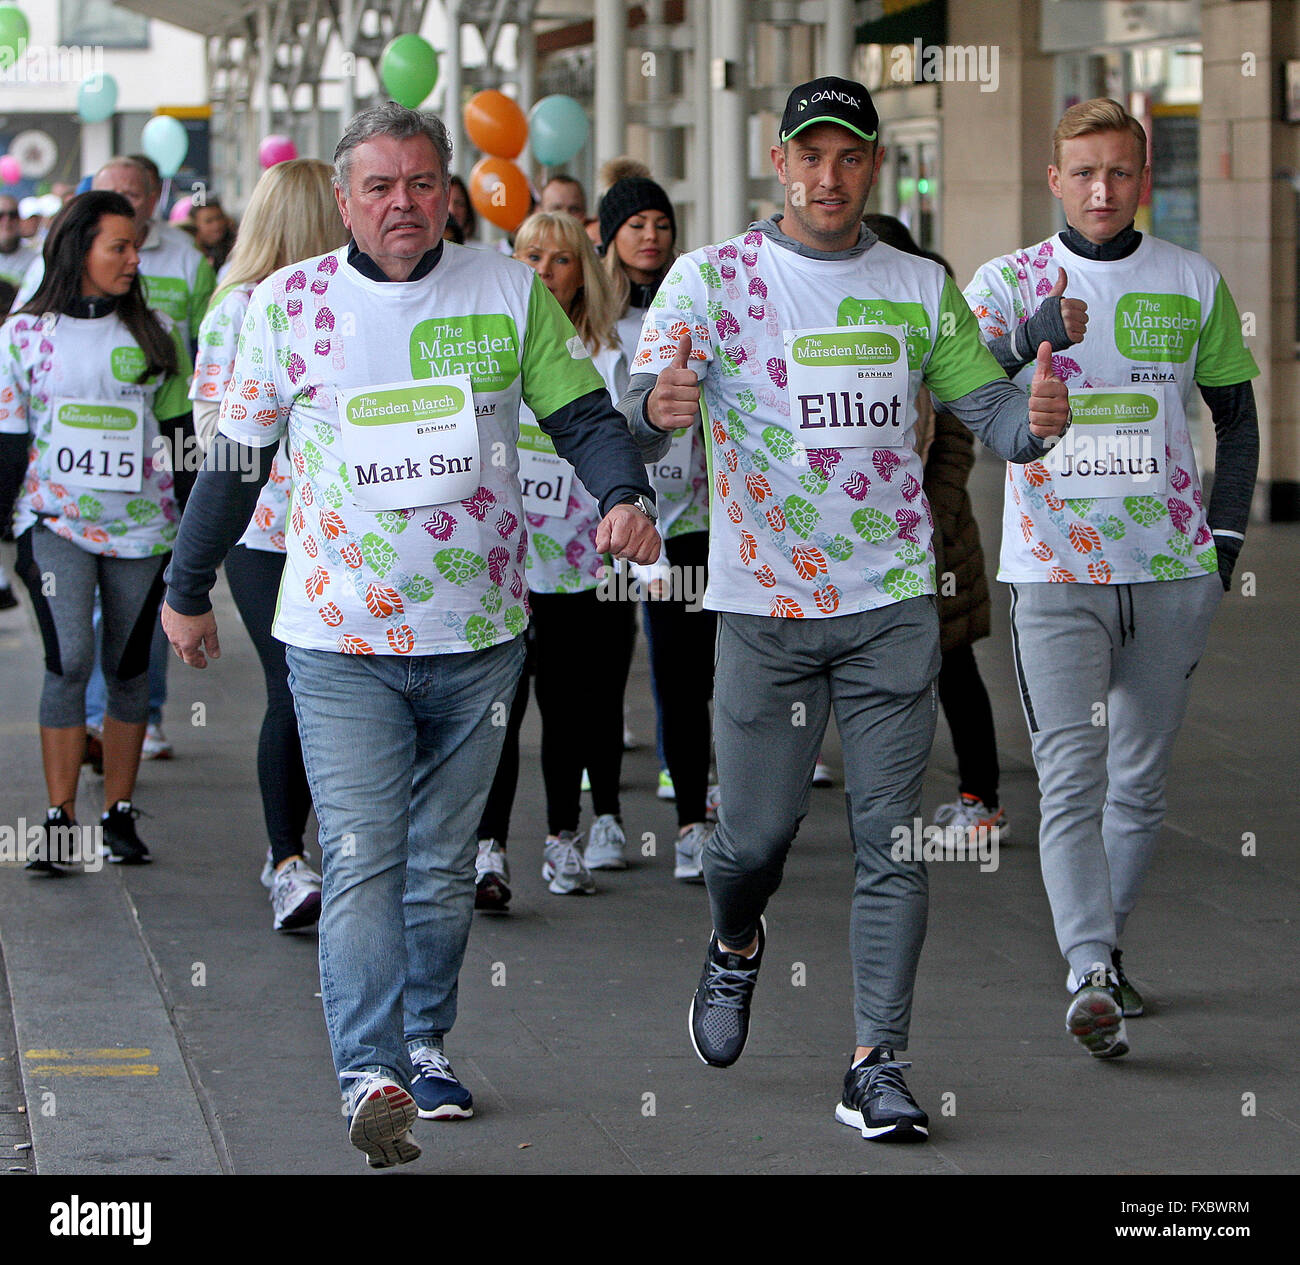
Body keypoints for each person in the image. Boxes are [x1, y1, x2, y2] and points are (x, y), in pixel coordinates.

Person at [160, 102, 662, 1168]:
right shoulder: (286, 305)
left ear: (452, 193)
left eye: (422, 183)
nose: (403, 202)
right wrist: (187, 585)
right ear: (342, 200)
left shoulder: (504, 287)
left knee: (438, 864)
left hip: (480, 633)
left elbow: (577, 414)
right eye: (379, 186)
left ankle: (424, 1042)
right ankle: (366, 1067)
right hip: (338, 637)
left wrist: (622, 491)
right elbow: (238, 461)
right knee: (360, 851)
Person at [620, 76, 1069, 1141]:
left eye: (850, 156)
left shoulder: (916, 282)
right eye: (810, 155)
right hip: (763, 610)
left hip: (889, 608)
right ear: (778, 160)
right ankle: (735, 938)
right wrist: (655, 408)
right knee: (753, 837)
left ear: (873, 164)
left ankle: (876, 1059)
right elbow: (635, 419)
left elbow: (992, 414)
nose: (829, 176)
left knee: (891, 841)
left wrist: (1040, 421)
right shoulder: (712, 279)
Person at [963, 98, 1258, 1059]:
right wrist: (1027, 337)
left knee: (1139, 782)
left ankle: (1106, 953)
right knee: (1071, 777)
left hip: (1172, 572)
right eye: (1083, 171)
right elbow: (953, 392)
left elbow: (1237, 420)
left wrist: (1223, 548)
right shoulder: (1011, 282)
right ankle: (1089, 968)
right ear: (1054, 179)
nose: (1102, 189)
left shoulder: (1190, 279)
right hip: (1052, 574)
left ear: (1141, 178)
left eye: (1120, 172)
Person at [0, 191, 193, 871]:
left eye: (137, 246)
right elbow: (8, 440)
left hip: (143, 530)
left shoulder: (159, 331)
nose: (135, 260)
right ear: (80, 248)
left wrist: (196, 533)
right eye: (120, 246)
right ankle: (58, 818)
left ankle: (117, 812)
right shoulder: (23, 335)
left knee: (128, 667)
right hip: (54, 522)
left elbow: (181, 439)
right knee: (69, 657)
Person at [189, 159, 348, 931]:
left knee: (334, 693)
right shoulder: (239, 308)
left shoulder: (349, 296)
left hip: (346, 531)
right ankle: (287, 859)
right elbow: (216, 440)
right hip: (263, 533)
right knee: (293, 685)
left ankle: (328, 849)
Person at [474, 211, 636, 907]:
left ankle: (563, 835)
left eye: (560, 259)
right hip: (506, 561)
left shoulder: (607, 356)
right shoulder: (495, 342)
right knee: (497, 711)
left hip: (582, 567)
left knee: (567, 706)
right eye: (529, 256)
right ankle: (488, 849)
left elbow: (626, 449)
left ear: (584, 270)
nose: (543, 270)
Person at [863, 214, 1008, 841]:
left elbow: (954, 447)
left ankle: (981, 800)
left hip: (936, 540)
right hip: (860, 542)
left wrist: (928, 519)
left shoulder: (932, 329)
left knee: (953, 665)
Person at [192, 197, 236, 274]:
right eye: (209, 221)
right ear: (195, 224)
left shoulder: (236, 245)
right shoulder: (191, 249)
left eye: (219, 218)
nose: (217, 225)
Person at [447, 173, 477, 243]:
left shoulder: (482, 251)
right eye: (445, 203)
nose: (452, 210)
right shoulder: (422, 252)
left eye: (459, 203)